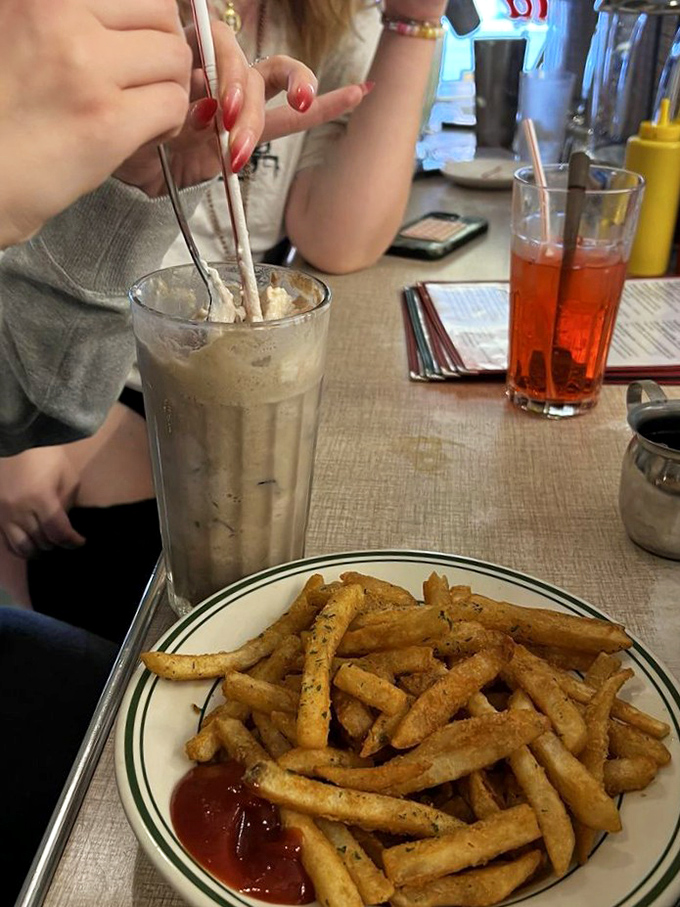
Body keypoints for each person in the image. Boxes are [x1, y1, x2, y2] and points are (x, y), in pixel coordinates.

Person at [0, 0, 448, 639]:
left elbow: (338, 241)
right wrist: (17, 426)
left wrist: (413, 21)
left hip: (220, 355)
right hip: (100, 362)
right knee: (142, 581)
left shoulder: (326, 18)